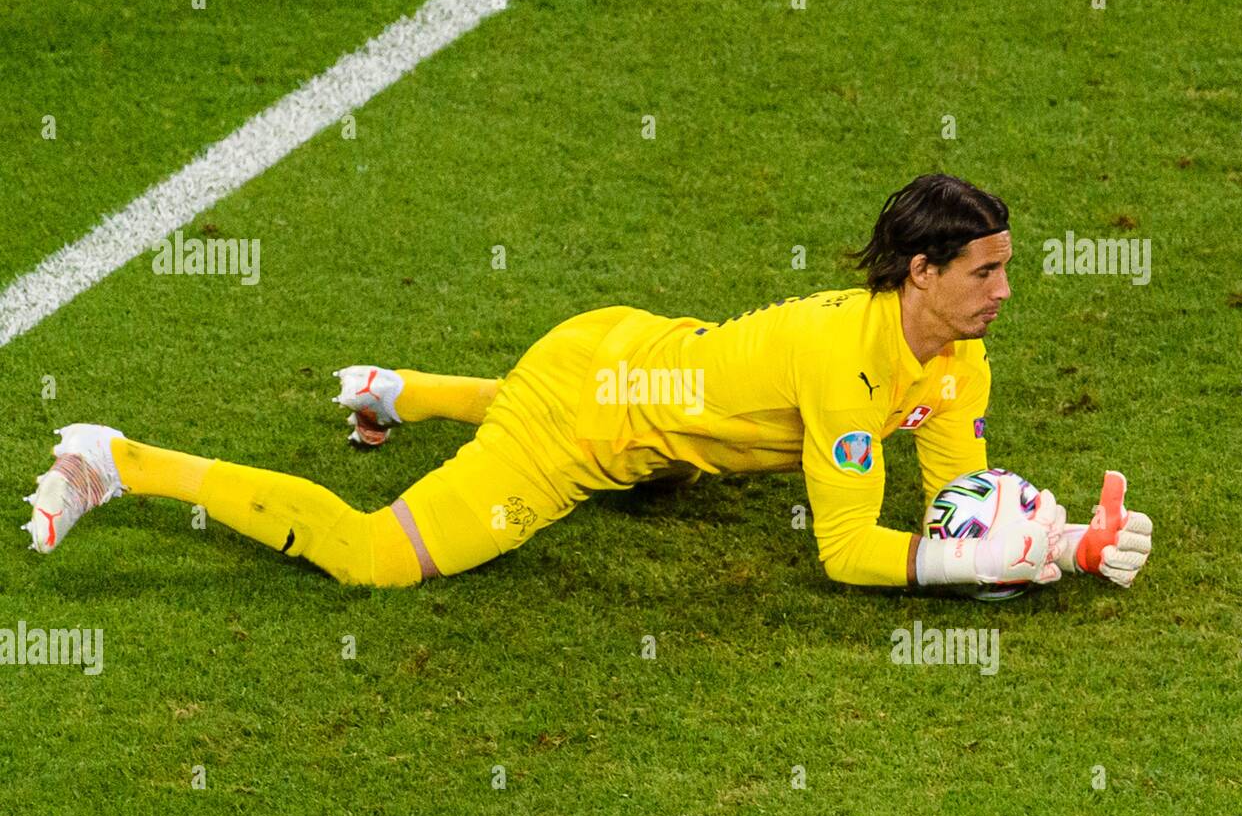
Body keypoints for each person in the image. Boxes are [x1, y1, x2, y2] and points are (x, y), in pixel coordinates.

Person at [23, 174, 1152, 592]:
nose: (1008, 287)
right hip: (578, 419)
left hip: (628, 361)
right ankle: (117, 458)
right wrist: (969, 567)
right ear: (922, 270)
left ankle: (398, 391)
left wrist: (1060, 544)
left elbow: (955, 488)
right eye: (987, 269)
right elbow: (849, 548)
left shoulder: (955, 357)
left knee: (657, 471)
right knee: (376, 560)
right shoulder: (839, 361)